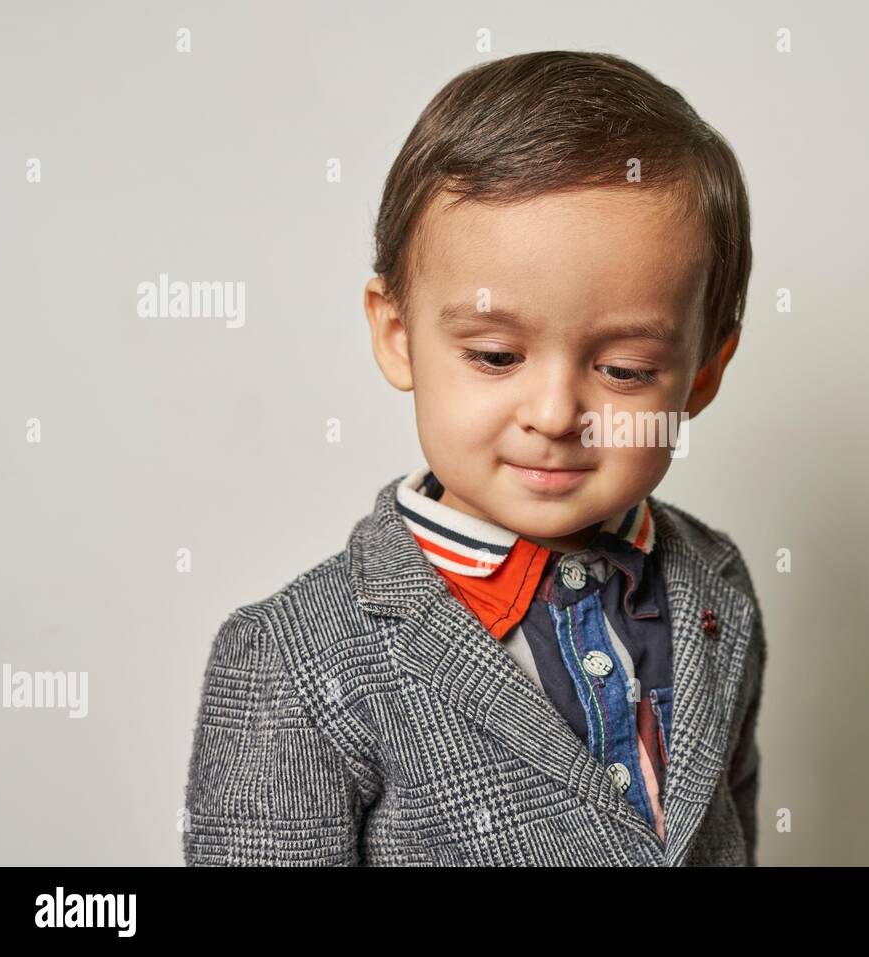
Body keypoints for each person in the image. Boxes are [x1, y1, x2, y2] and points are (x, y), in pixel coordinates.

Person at [183, 50, 766, 866]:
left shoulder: (716, 583)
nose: (556, 414)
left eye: (625, 370)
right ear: (398, 337)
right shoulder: (295, 659)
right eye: (496, 356)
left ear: (702, 373)